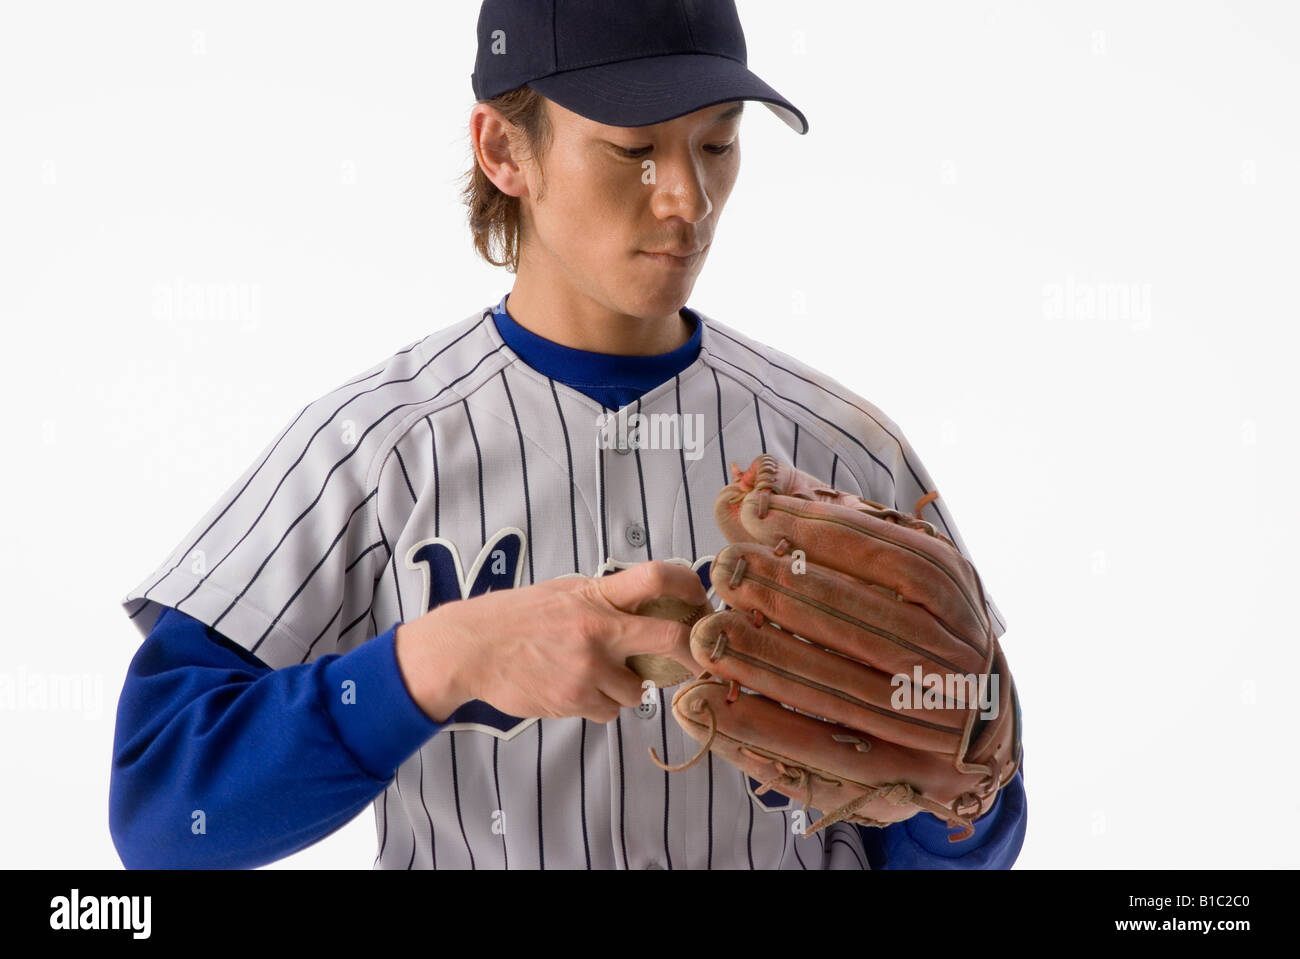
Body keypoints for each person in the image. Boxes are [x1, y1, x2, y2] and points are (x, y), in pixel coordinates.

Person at [112, 0, 1026, 870]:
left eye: (718, 142)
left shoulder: (843, 450)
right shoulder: (377, 450)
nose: (687, 197)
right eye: (635, 148)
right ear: (504, 148)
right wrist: (441, 658)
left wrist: (962, 793)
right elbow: (163, 811)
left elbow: (957, 832)